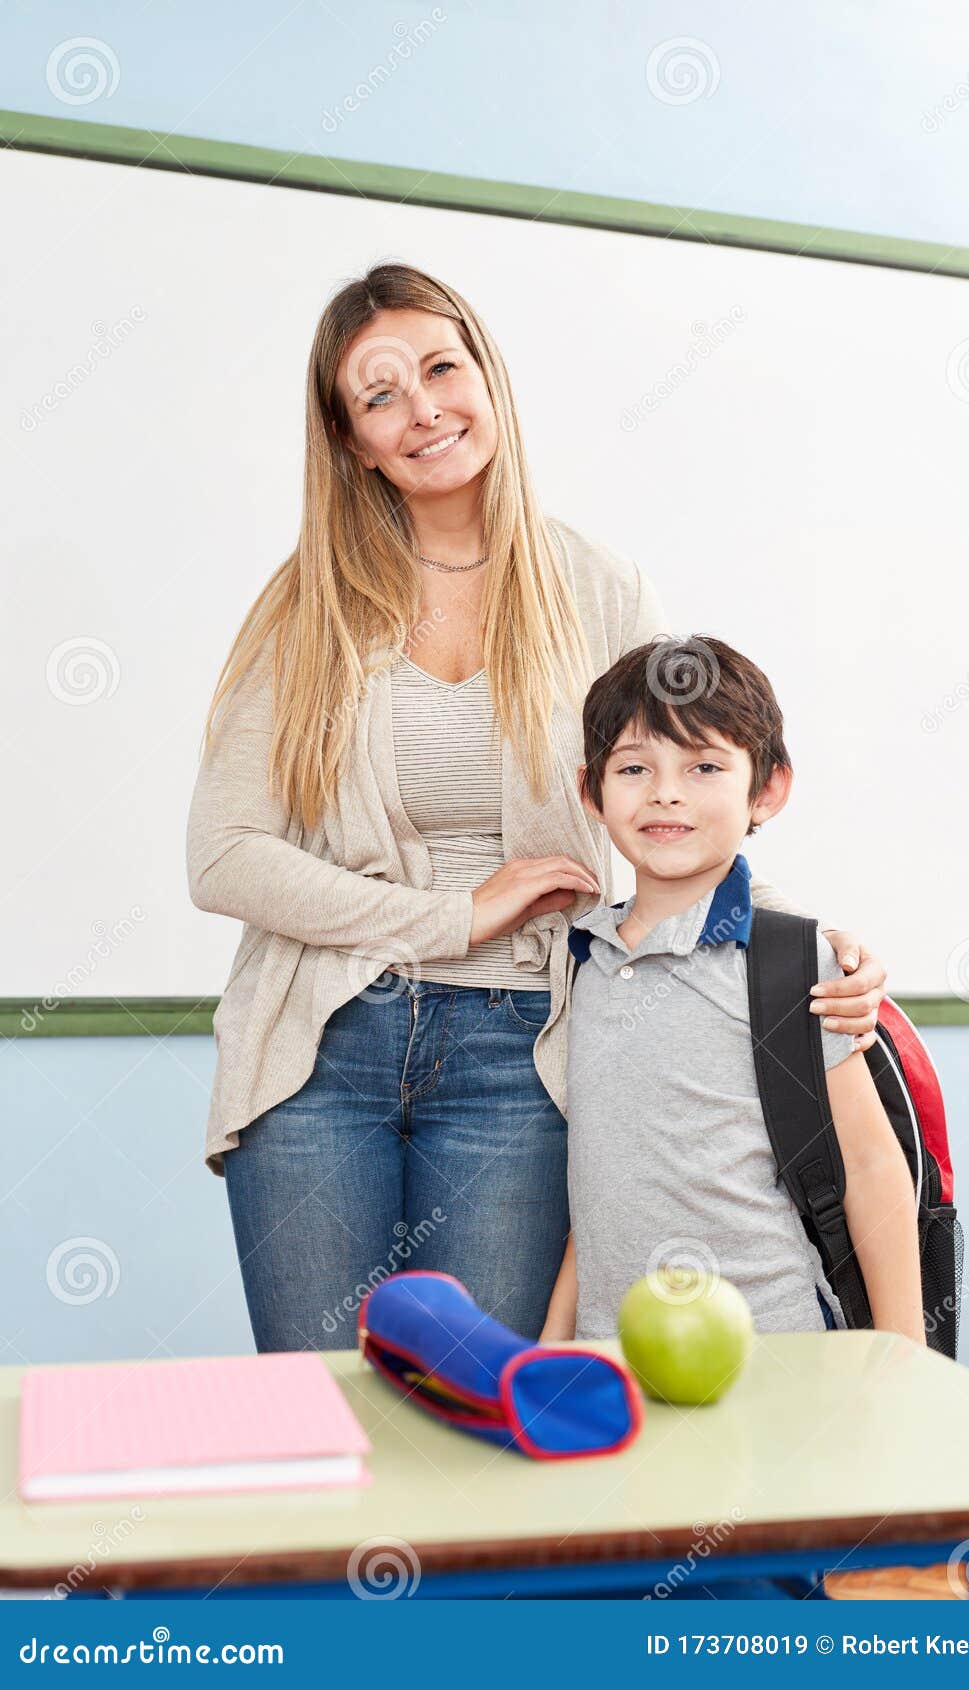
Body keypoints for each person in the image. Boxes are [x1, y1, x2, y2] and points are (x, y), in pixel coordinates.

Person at [186, 262, 888, 1351]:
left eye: (440, 369)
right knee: (320, 1404)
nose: (423, 410)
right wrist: (453, 916)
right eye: (380, 396)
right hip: (320, 1043)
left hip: (520, 1048)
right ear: (351, 441)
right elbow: (224, 854)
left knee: (481, 1403)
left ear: (487, 377)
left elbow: (680, 788)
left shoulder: (599, 587)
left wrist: (793, 940)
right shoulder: (305, 607)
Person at [540, 634, 925, 1345]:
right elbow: (596, 1197)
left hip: (775, 1347)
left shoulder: (792, 964)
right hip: (610, 1351)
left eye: (705, 766)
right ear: (591, 791)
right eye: (634, 767)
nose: (666, 792)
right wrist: (551, 1347)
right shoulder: (582, 963)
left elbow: (872, 1166)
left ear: (765, 790)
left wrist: (904, 1352)